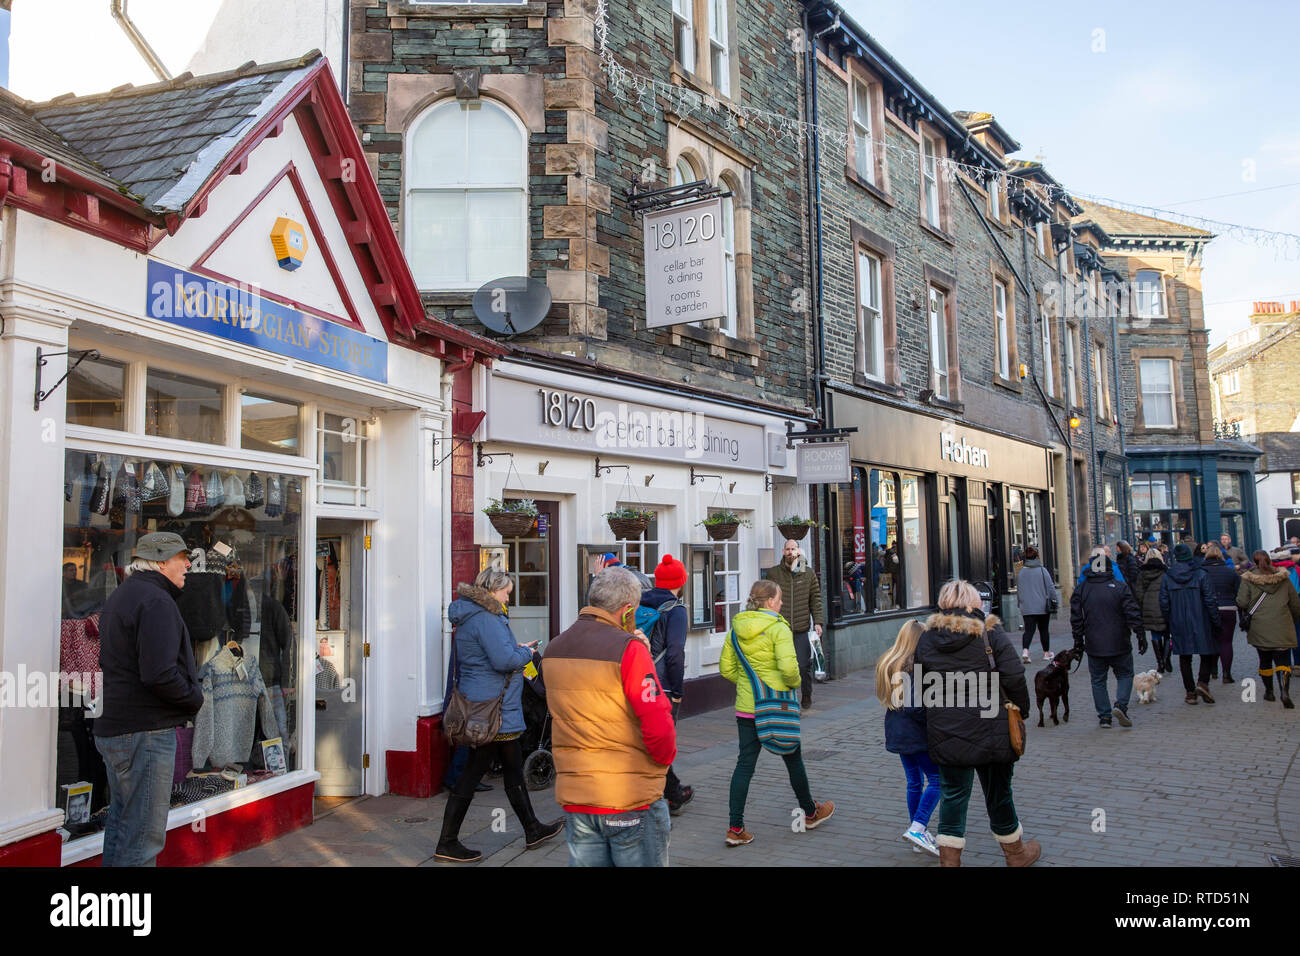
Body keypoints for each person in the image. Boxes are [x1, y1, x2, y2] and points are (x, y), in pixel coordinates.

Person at [542, 567, 676, 866]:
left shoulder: (554, 648)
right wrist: (661, 763)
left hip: (579, 796)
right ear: (628, 611)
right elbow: (658, 723)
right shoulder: (629, 650)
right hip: (628, 797)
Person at [435, 569, 562, 862]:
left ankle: (532, 829)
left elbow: (491, 654)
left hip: (489, 704)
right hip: (493, 708)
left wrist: (514, 649)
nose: (509, 596)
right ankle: (447, 842)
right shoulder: (486, 618)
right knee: (474, 772)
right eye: (506, 591)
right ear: (492, 590)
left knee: (512, 767)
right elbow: (503, 660)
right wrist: (526, 655)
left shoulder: (475, 615)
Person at [94, 532, 205, 866]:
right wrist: (193, 700)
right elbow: (159, 674)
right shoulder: (155, 601)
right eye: (180, 558)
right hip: (143, 732)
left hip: (119, 728)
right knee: (143, 839)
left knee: (122, 827)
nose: (188, 564)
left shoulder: (124, 594)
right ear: (159, 562)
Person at [916, 580, 1036, 867]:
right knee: (999, 792)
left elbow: (921, 684)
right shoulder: (989, 633)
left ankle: (949, 861)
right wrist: (1022, 710)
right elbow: (1014, 675)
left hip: (947, 730)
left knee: (953, 794)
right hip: (991, 727)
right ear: (973, 603)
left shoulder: (927, 638)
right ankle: (1016, 854)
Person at [719, 579, 833, 846]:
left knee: (744, 765)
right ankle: (810, 813)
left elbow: (726, 668)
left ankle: (735, 828)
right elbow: (790, 670)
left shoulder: (736, 627)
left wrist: (749, 686)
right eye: (780, 599)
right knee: (793, 758)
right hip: (776, 706)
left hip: (748, 708)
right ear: (770, 601)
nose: (782, 603)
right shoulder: (778, 628)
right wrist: (791, 685)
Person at [875, 619, 939, 856]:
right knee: (937, 779)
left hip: (897, 731)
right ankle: (918, 827)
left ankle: (916, 835)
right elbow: (916, 707)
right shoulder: (915, 666)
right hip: (916, 734)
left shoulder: (890, 661)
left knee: (914, 782)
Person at [639, 554, 692, 815]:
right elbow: (675, 653)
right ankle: (669, 795)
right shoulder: (676, 610)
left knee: (646, 736)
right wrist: (678, 691)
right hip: (663, 685)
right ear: (680, 582)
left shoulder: (639, 602)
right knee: (662, 740)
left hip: (638, 678)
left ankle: (673, 790)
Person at [1070, 555, 1147, 728]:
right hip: (1119, 641)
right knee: (1125, 674)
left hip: (1094, 643)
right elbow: (1132, 612)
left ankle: (1104, 716)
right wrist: (1140, 634)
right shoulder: (1120, 587)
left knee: (1098, 679)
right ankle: (1121, 704)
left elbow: (1076, 618)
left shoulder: (1082, 589)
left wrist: (1078, 641)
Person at [765, 539, 825, 708]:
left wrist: (818, 622)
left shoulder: (808, 574)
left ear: (799, 551)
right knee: (783, 666)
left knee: (802, 665)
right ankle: (788, 701)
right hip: (780, 629)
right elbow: (767, 600)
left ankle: (806, 695)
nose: (791, 552)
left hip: (801, 628)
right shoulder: (774, 574)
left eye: (794, 548)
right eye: (788, 549)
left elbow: (816, 600)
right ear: (783, 552)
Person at [1159, 543, 1221, 705]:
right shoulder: (1200, 574)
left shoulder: (1168, 576)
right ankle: (1202, 682)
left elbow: (1164, 603)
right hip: (1201, 618)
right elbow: (1210, 599)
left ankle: (1190, 692)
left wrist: (1168, 621)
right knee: (1207, 651)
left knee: (1184, 656)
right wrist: (1216, 621)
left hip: (1178, 620)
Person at [1237, 551, 1300, 708]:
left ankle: (1269, 692)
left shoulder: (1248, 579)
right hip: (1282, 623)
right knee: (1283, 660)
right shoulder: (1283, 578)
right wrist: (1292, 619)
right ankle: (1284, 691)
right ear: (1269, 560)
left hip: (1259, 625)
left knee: (1265, 660)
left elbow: (1242, 602)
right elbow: (1294, 602)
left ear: (1255, 562)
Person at [1201, 543, 1240, 684]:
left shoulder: (1202, 571)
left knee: (1210, 640)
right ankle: (1226, 673)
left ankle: (1212, 670)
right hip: (1228, 608)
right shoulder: (1230, 572)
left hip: (1208, 609)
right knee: (1226, 642)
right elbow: (1238, 592)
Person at [1015, 546, 1058, 663]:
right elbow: (1050, 588)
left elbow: (1019, 590)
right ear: (1037, 556)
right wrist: (1055, 600)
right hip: (1042, 606)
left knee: (1029, 630)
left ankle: (1025, 651)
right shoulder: (1042, 571)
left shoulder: (1022, 572)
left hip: (1027, 607)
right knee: (1044, 630)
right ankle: (1046, 653)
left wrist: (1020, 603)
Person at [1132, 550, 1172, 672]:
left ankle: (1160, 662)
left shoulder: (1142, 573)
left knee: (1155, 634)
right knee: (1167, 634)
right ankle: (1166, 659)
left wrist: (1143, 604)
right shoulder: (1166, 572)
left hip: (1149, 607)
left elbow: (1138, 592)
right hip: (1164, 606)